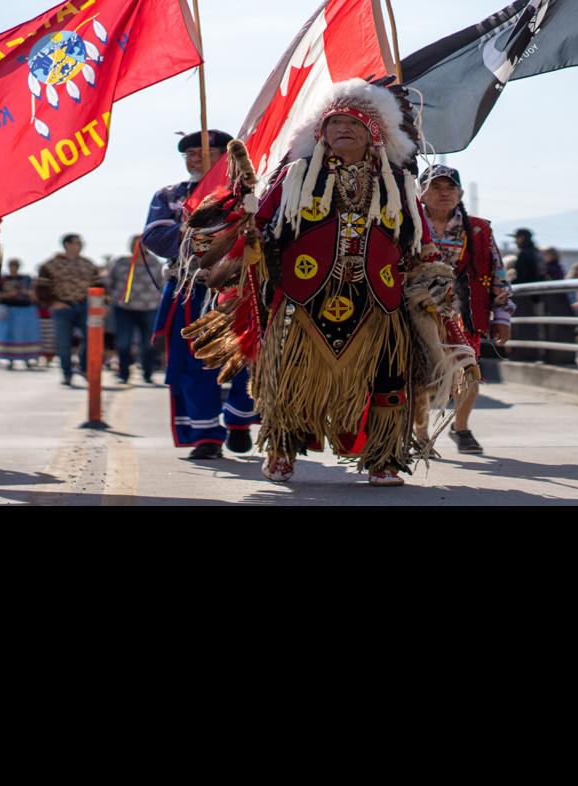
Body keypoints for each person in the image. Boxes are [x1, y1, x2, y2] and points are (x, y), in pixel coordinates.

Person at [180, 78, 461, 486]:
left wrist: (434, 277)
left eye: (355, 123)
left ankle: (383, 457)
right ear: (320, 133)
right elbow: (260, 225)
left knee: (387, 382)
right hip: (304, 297)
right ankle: (281, 450)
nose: (343, 128)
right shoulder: (295, 175)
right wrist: (245, 229)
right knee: (291, 380)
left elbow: (420, 241)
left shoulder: (397, 183)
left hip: (377, 301)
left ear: (375, 134)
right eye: (334, 123)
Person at [142, 129, 261, 459]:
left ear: (224, 156)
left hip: (239, 288)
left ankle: (239, 418)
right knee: (194, 363)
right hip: (190, 288)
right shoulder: (170, 196)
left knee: (248, 356)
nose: (194, 158)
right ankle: (206, 434)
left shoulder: (248, 190)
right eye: (189, 154)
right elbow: (154, 237)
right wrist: (194, 225)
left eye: (202, 152)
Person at [418, 164, 515, 455]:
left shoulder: (478, 229)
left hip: (462, 312)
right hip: (417, 309)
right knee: (419, 373)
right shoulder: (409, 223)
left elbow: (498, 272)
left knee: (468, 370)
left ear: (460, 193)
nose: (444, 193)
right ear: (421, 193)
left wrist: (503, 316)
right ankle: (420, 435)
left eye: (450, 188)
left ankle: (461, 427)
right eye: (436, 187)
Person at [36, 234, 101, 386]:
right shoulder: (51, 265)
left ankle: (84, 367)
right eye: (77, 243)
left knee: (91, 338)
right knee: (63, 343)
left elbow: (99, 284)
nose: (80, 245)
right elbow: (41, 288)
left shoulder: (88, 264)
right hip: (62, 307)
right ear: (67, 244)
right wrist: (52, 303)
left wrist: (101, 304)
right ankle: (67, 373)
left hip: (85, 306)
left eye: (81, 243)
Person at [107, 235, 164, 384]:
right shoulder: (120, 262)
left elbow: (162, 284)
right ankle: (124, 374)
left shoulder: (154, 263)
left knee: (148, 344)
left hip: (149, 308)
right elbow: (109, 283)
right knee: (123, 343)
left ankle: (147, 373)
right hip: (123, 309)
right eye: (135, 244)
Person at [0, 260, 42, 369]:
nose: (14, 268)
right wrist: (7, 295)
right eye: (12, 266)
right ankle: (10, 359)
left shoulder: (26, 278)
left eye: (16, 266)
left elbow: (33, 291)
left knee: (26, 335)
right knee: (9, 335)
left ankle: (28, 358)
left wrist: (28, 293)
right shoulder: (2, 279)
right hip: (9, 310)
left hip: (25, 309)